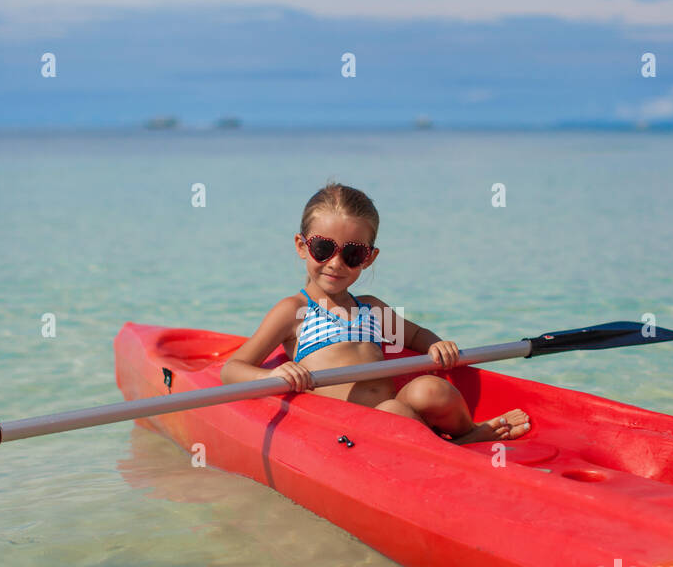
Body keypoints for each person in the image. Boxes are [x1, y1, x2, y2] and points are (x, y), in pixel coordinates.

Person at [220, 182, 530, 444]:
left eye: (353, 253)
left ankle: (467, 434)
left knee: (432, 388)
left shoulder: (371, 308)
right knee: (394, 413)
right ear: (302, 246)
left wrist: (436, 344)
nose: (336, 263)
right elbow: (232, 370)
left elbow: (416, 335)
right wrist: (274, 374)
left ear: (369, 258)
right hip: (347, 430)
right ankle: (443, 450)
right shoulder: (295, 311)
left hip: (394, 410)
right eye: (323, 248)